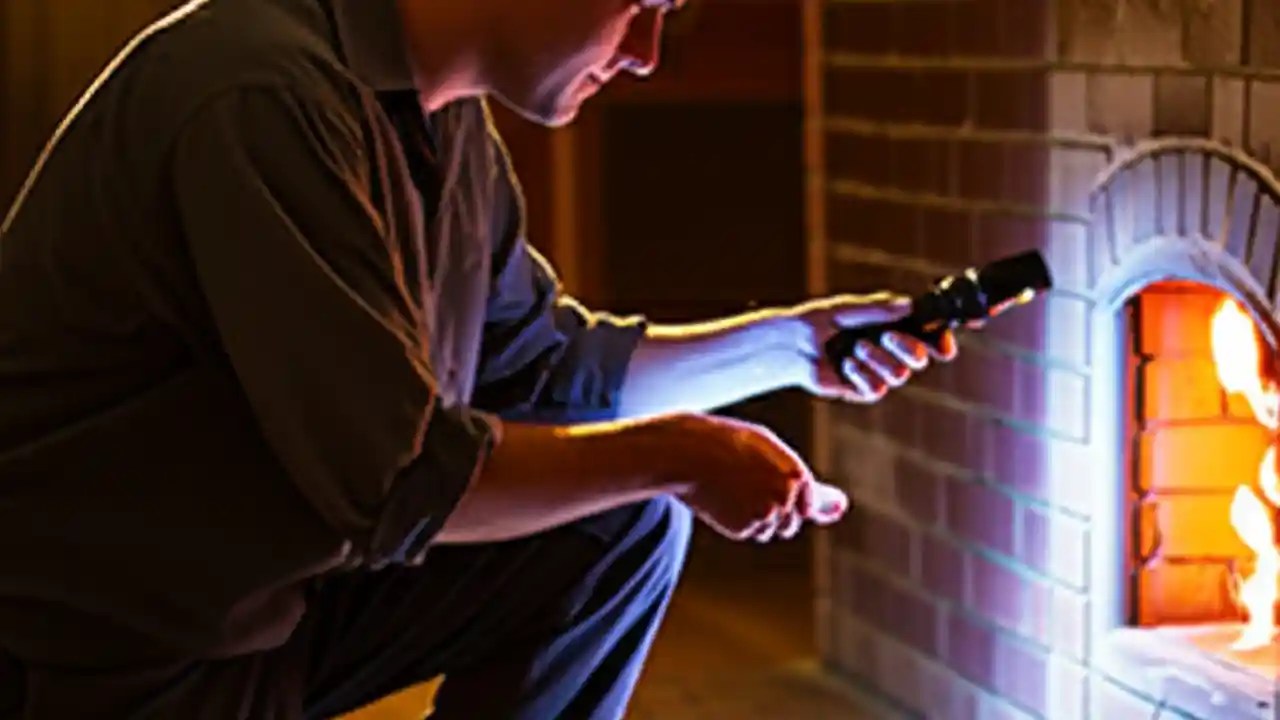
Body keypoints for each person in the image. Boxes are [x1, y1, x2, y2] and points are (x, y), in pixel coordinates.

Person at [0, 0, 956, 717]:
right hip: (102, 663)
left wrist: (795, 348)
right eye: (640, 5)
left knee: (618, 528)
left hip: (265, 611)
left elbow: (544, 371)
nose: (645, 55)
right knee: (636, 495)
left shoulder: (442, 122)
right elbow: (403, 479)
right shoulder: (258, 94)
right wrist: (683, 455)